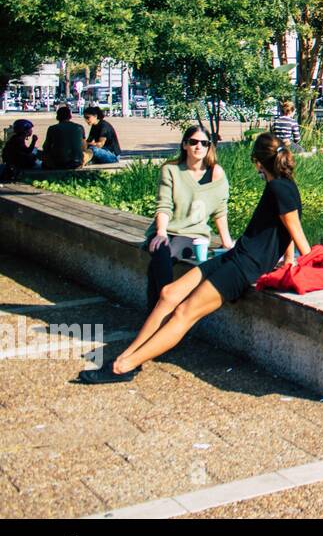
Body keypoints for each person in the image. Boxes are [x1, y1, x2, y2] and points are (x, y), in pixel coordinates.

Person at [79, 133, 310, 384]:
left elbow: (294, 229)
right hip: (236, 256)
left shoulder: (279, 188)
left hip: (244, 268)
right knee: (169, 293)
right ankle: (129, 352)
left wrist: (308, 262)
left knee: (185, 313)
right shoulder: (280, 185)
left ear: (257, 162)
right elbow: (286, 227)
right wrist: (288, 259)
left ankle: (123, 367)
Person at [142, 126, 235, 311]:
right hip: (167, 230)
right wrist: (160, 233)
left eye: (204, 143)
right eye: (193, 142)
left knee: (161, 259)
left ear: (209, 147)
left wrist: (227, 242)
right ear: (185, 145)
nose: (198, 146)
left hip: (193, 235)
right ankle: (163, 310)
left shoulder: (216, 173)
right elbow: (164, 205)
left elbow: (220, 210)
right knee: (161, 251)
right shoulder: (171, 170)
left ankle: (158, 312)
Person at [42, 105, 85, 170]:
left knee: (39, 153)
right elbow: (84, 146)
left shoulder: (52, 128)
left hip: (58, 163)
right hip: (77, 162)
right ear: (70, 116)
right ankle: (82, 163)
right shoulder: (79, 127)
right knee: (90, 152)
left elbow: (46, 147)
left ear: (57, 117)